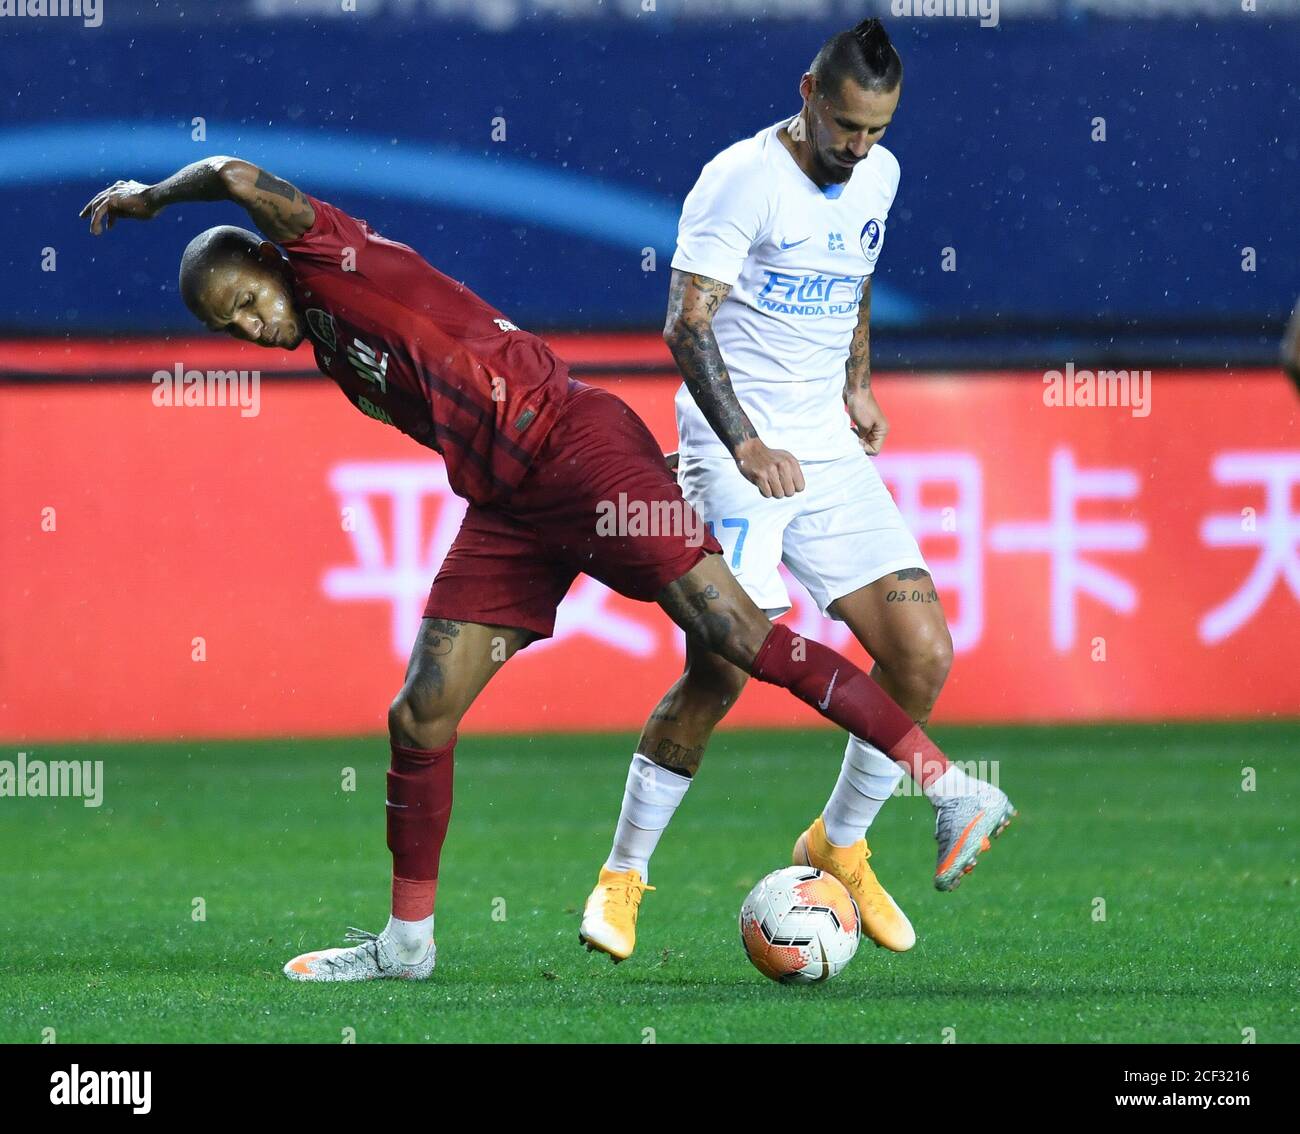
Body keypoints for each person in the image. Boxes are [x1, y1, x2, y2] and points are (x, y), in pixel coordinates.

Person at [82, 155, 978, 982]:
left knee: (736, 635)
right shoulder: (328, 346)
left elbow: (235, 174)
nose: (249, 327)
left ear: (273, 261)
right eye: (227, 324)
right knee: (421, 709)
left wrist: (150, 199)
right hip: (512, 503)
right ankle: (406, 946)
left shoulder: (329, 255)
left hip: (573, 446)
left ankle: (950, 789)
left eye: (247, 300)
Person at [579, 18, 1014, 965]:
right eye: (847, 127)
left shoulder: (877, 176)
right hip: (734, 444)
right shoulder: (740, 178)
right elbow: (684, 322)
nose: (859, 150)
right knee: (723, 668)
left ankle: (840, 844)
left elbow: (853, 273)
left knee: (922, 651)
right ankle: (624, 872)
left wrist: (858, 381)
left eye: (878, 132)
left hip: (825, 442)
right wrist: (745, 443)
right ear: (809, 91)